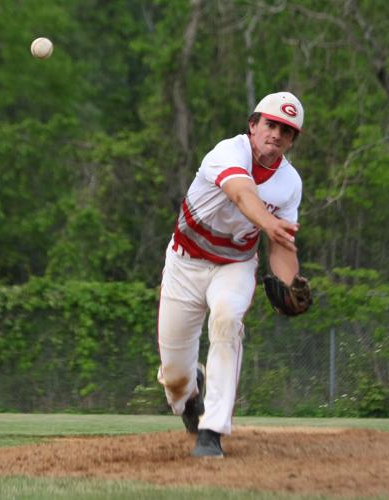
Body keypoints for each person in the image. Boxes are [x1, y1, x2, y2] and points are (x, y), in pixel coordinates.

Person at [156, 91, 306, 458]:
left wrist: (289, 283)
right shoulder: (227, 152)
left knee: (226, 321)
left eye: (286, 131)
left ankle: (213, 432)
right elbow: (242, 194)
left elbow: (282, 244)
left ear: (291, 141)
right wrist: (270, 223)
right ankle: (191, 394)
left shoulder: (290, 183)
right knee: (174, 376)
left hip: (234, 265)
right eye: (270, 124)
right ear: (253, 126)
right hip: (184, 263)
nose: (276, 134)